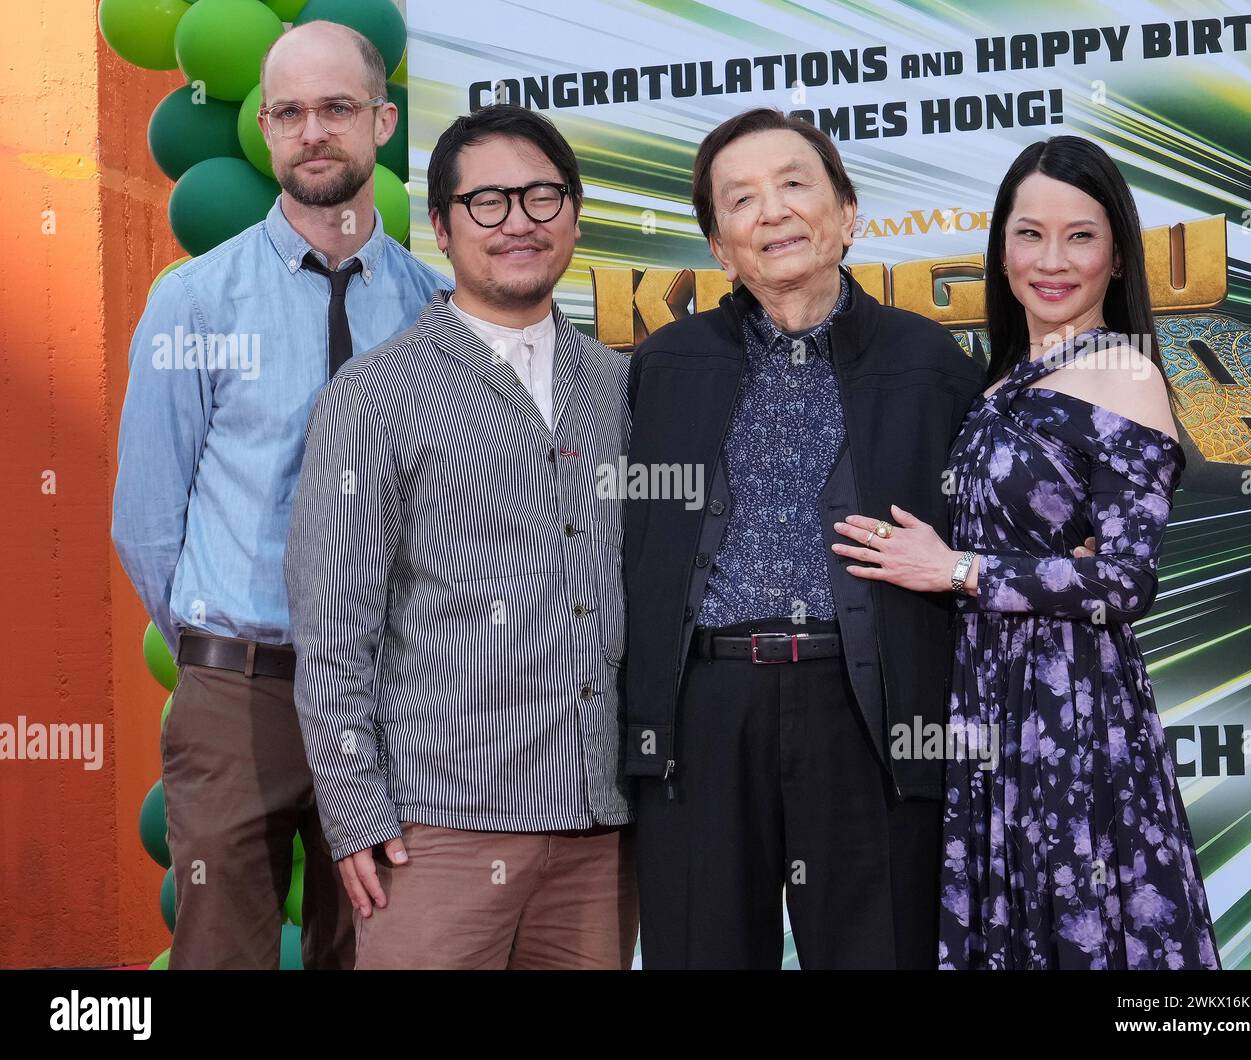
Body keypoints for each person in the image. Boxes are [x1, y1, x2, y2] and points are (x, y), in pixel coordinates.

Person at [833, 135, 1221, 969]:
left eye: (1080, 235)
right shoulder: (1001, 378)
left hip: (1071, 710)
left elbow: (1122, 580)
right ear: (1000, 247)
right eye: (1028, 233)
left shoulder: (1124, 371)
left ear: (1118, 256)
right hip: (984, 701)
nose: (1052, 260)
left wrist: (958, 569)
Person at [110, 21, 451, 969]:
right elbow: (146, 518)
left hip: (394, 702)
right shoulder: (195, 304)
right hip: (239, 692)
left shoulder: (434, 312)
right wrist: (223, 658)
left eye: (337, 108)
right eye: (290, 112)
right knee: (222, 952)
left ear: (381, 122)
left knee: (379, 951)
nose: (312, 132)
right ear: (262, 127)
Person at [623, 107, 985, 968]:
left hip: (871, 712)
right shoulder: (666, 365)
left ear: (848, 212)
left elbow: (983, 542)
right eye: (741, 200)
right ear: (719, 247)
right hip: (703, 713)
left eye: (794, 184)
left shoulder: (931, 365)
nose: (773, 212)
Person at [284, 103, 637, 970]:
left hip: (600, 829)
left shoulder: (624, 385)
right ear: (441, 226)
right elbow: (333, 624)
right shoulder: (374, 396)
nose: (518, 221)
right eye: (487, 203)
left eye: (542, 196)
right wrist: (354, 808)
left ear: (575, 213)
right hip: (432, 829)